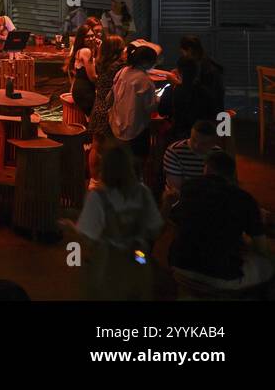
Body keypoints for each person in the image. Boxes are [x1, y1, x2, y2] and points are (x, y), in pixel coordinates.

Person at [62, 143, 162, 300]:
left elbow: (88, 237)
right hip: (138, 255)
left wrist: (71, 227)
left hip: (108, 259)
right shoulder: (143, 192)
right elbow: (155, 228)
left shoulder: (98, 197)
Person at [169, 150, 272, 291]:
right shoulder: (244, 199)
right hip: (219, 275)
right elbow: (261, 247)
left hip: (179, 264)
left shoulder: (189, 188)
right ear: (231, 174)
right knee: (268, 264)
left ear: (207, 169)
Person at [108, 44, 161, 165]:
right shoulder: (145, 81)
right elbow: (150, 107)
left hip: (116, 124)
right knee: (136, 163)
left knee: (119, 163)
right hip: (136, 129)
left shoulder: (123, 71)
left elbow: (111, 95)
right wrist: (159, 99)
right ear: (147, 62)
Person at [86, 34, 126, 182]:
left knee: (96, 145)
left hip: (98, 106)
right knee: (109, 147)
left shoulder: (102, 62)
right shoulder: (118, 66)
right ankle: (104, 179)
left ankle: (94, 179)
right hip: (108, 109)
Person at [158, 57, 222, 143]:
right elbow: (214, 113)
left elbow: (162, 111)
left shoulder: (171, 90)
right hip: (201, 136)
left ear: (179, 71)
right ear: (197, 72)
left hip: (178, 136)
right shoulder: (205, 92)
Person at [162, 120, 222, 204]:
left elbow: (219, 185)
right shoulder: (175, 151)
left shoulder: (217, 154)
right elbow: (176, 189)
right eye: (193, 139)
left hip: (208, 201)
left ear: (212, 143)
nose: (196, 145)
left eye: (203, 143)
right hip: (180, 201)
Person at [66, 21, 103, 118]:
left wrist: (98, 50)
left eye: (92, 35)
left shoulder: (81, 50)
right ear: (81, 38)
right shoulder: (86, 51)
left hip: (80, 90)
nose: (91, 38)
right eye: (87, 36)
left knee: (93, 119)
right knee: (96, 118)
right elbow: (93, 77)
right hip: (85, 92)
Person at [178, 35, 226, 108]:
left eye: (183, 52)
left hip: (202, 112)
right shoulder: (209, 64)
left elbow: (190, 91)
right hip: (213, 111)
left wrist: (178, 83)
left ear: (190, 50)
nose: (183, 56)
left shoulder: (196, 67)